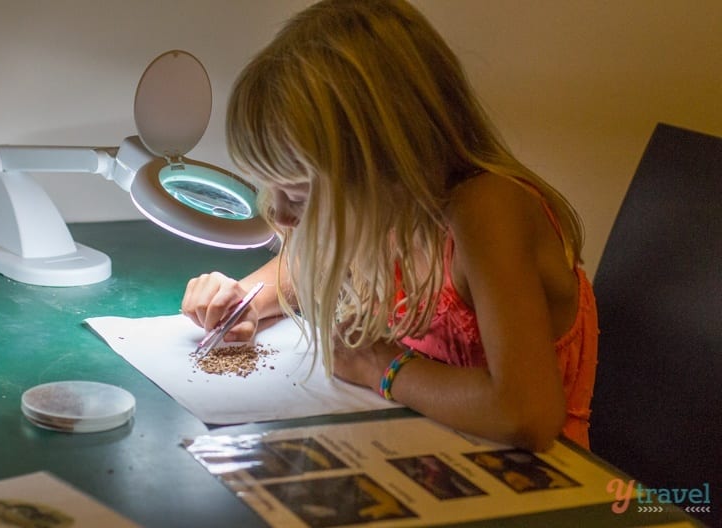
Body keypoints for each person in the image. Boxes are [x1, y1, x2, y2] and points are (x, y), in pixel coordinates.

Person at [182, 0, 598, 452]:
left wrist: (382, 367)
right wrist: (243, 300)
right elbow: (308, 265)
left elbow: (527, 416)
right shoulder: (390, 212)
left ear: (385, 164)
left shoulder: (486, 212)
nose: (280, 216)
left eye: (299, 195)